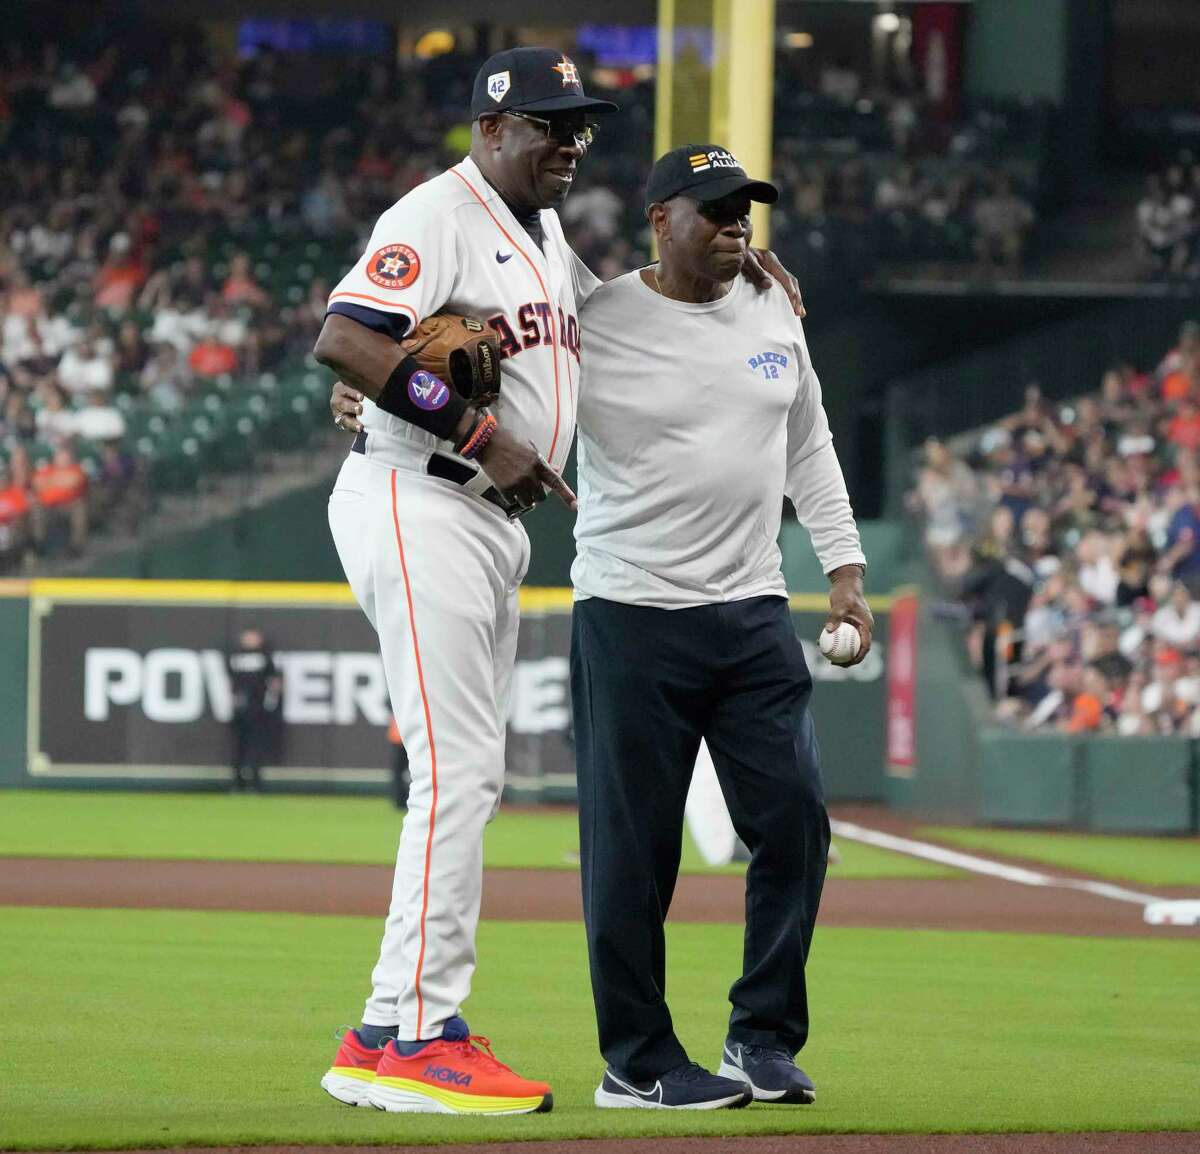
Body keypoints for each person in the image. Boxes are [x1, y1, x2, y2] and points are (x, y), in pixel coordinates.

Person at [319, 51, 804, 1118]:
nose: (572, 145)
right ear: (491, 129)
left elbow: (639, 313)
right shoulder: (438, 213)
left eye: (580, 126)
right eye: (549, 124)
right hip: (422, 493)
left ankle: (381, 1027)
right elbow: (346, 336)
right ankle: (423, 1037)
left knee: (467, 774)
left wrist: (748, 283)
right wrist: (471, 427)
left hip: (485, 517)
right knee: (455, 775)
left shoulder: (541, 236)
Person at [570, 145, 872, 1110]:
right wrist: (372, 399)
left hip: (751, 612)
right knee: (633, 854)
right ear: (661, 220)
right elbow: (507, 364)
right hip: (629, 612)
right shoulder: (596, 319)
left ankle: (761, 1037)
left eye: (745, 208)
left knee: (795, 822)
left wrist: (846, 573)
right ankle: (636, 1060)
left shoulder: (774, 308)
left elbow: (810, 445)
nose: (737, 224)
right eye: (715, 209)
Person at [226, 628, 281, 791]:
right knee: (238, 746)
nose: (250, 639)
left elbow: (274, 681)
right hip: (240, 709)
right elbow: (229, 681)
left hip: (258, 709)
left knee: (256, 746)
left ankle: (255, 782)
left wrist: (270, 701)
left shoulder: (265, 657)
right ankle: (238, 782)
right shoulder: (235, 656)